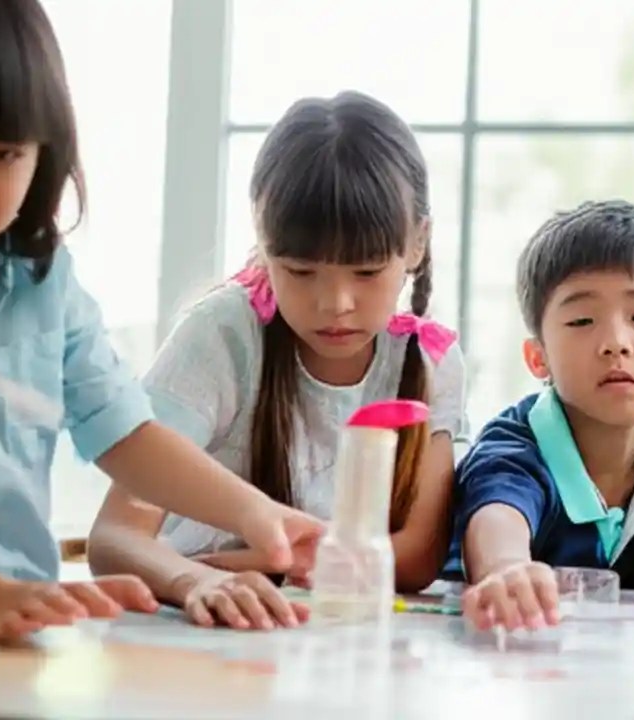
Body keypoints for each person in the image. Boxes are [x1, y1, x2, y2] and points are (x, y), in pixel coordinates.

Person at [0, 0, 319, 646]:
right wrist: (3, 598)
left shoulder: (41, 281)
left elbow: (125, 433)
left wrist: (260, 515)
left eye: (3, 155)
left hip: (9, 640)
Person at [87, 91, 467, 630]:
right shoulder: (224, 334)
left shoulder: (430, 362)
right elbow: (115, 536)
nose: (334, 303)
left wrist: (270, 561)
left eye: (365, 272)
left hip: (327, 634)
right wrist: (198, 579)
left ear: (417, 243)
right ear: (263, 240)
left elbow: (416, 556)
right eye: (299, 271)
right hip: (200, 635)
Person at [445, 200, 634, 631]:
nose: (615, 342)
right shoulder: (517, 444)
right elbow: (498, 514)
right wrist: (505, 567)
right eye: (582, 320)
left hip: (608, 662)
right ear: (538, 357)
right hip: (495, 651)